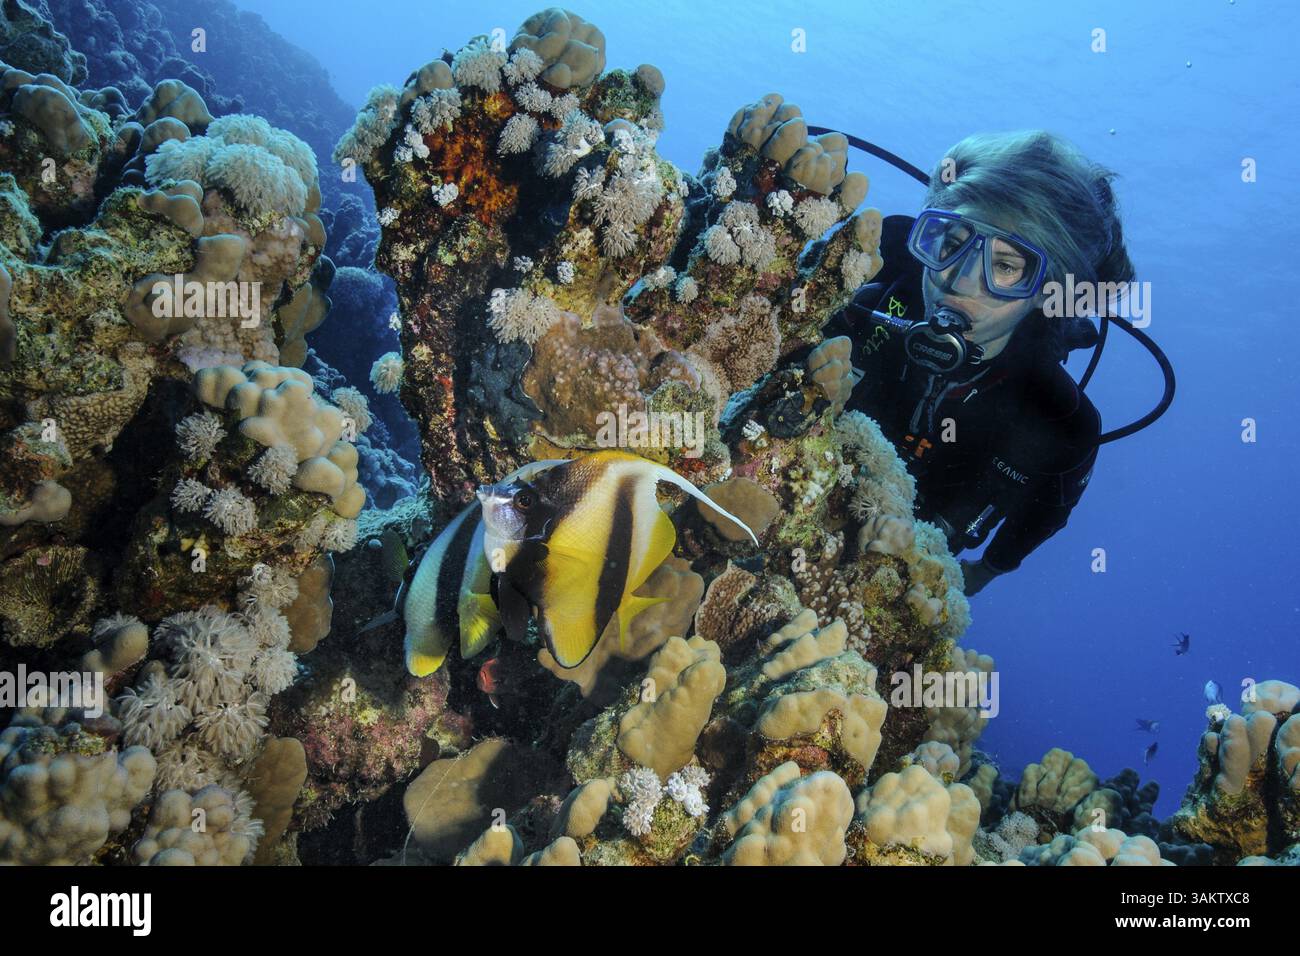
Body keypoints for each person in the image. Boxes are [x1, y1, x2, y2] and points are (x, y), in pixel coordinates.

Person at [822, 131, 1135, 595]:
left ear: (1047, 294)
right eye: (951, 243)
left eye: (1005, 267)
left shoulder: (1060, 423)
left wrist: (984, 571)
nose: (960, 279)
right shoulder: (870, 271)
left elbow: (1045, 513)